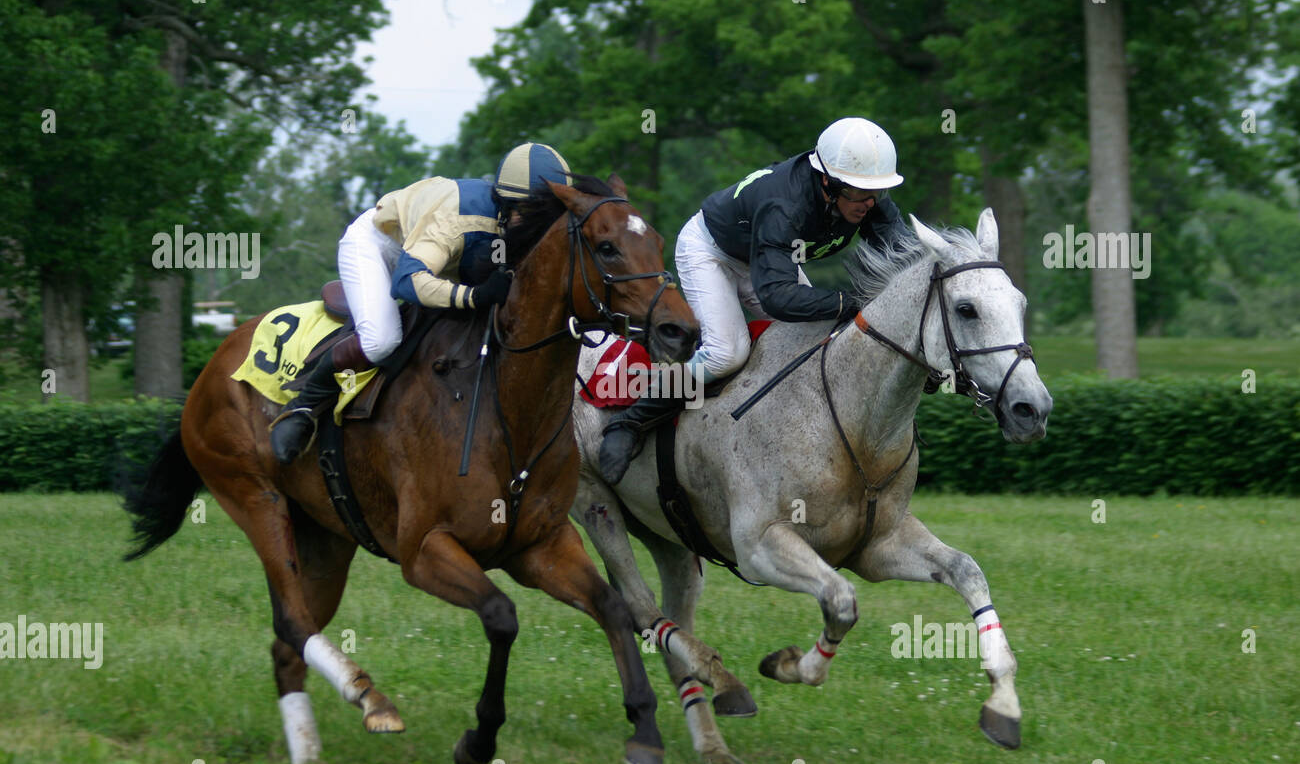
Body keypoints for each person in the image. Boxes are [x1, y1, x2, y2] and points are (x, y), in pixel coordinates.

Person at [598, 117, 910, 484]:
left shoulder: (866, 200)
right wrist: (852, 302)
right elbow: (778, 298)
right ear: (828, 182)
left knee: (831, 339)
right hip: (711, 251)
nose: (869, 203)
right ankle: (631, 420)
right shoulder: (786, 204)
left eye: (878, 192)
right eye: (859, 192)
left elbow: (908, 259)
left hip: (765, 258)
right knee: (726, 353)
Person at [270, 142, 573, 464]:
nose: (535, 225)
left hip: (440, 256)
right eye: (526, 212)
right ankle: (302, 407)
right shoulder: (458, 220)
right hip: (383, 245)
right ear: (503, 202)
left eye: (546, 215)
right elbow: (408, 279)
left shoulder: (513, 220)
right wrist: (474, 296)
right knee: (380, 340)